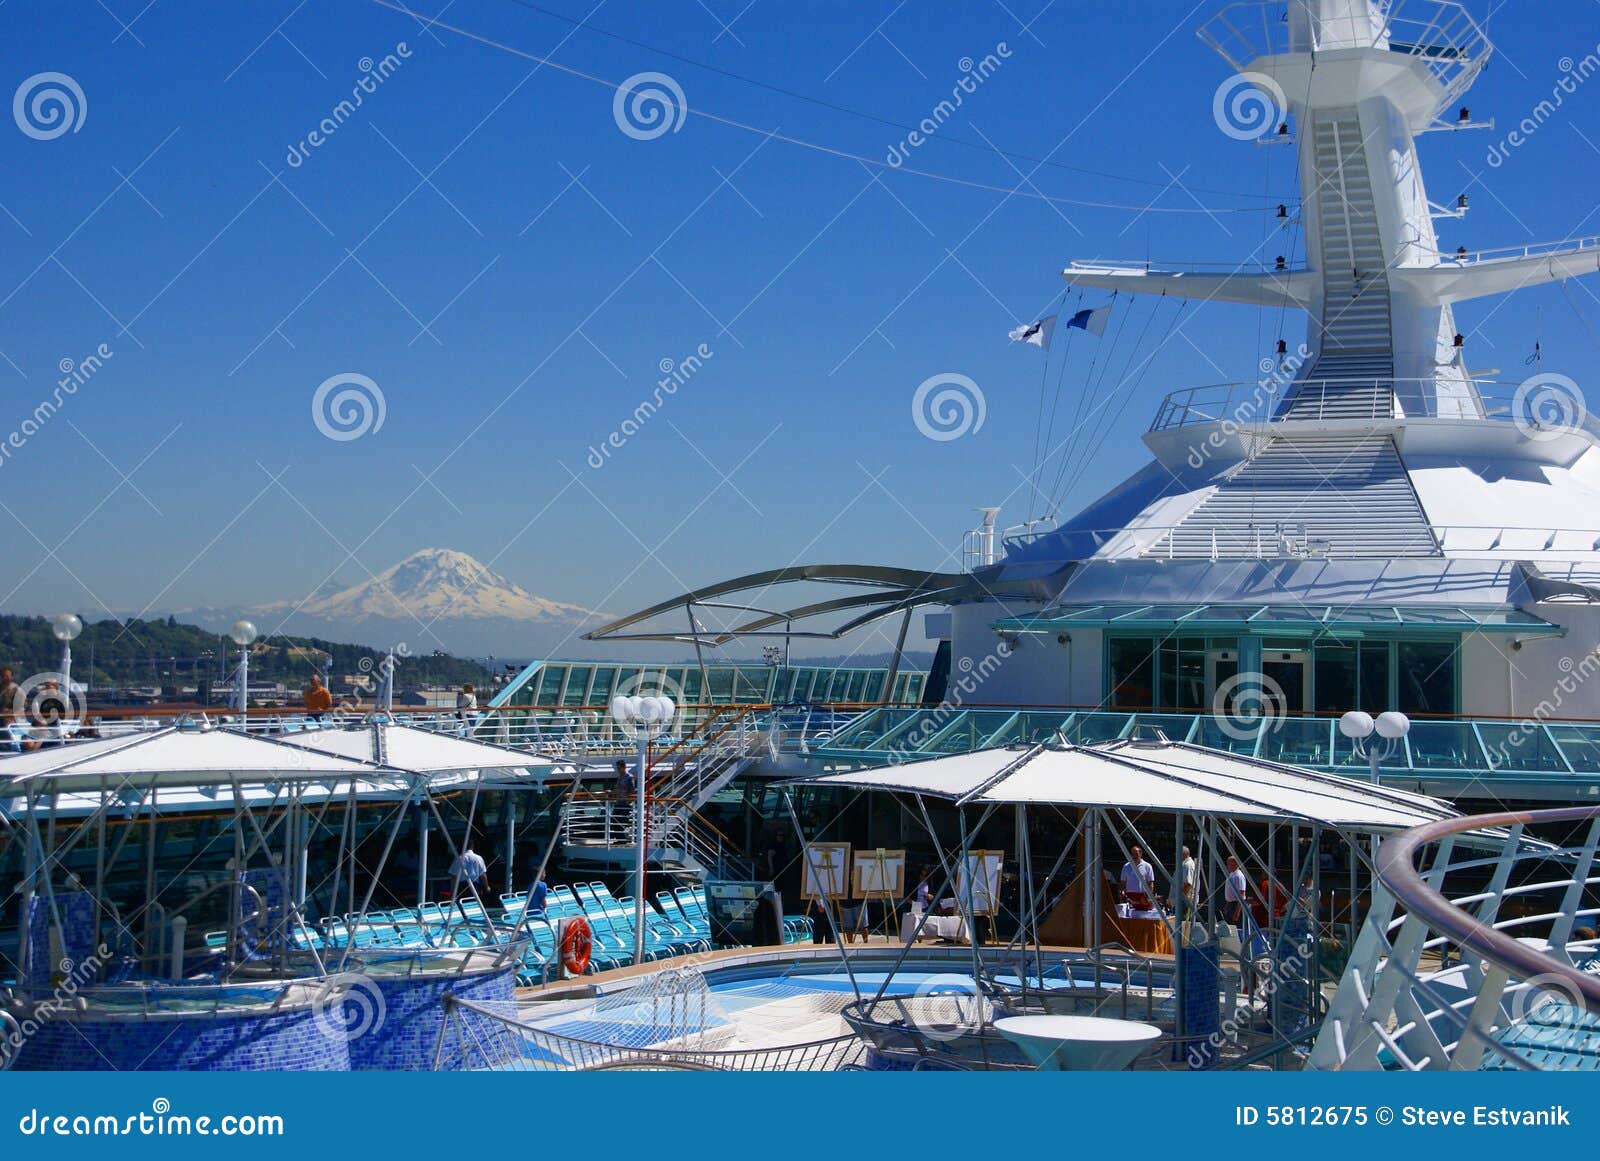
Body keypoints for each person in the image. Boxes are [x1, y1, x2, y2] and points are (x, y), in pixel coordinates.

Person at [450, 846, 490, 917]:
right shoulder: (479, 858)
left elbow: (454, 877)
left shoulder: (459, 858)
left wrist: (453, 892)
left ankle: (466, 920)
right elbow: (483, 876)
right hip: (475, 886)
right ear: (472, 846)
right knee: (474, 907)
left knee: (462, 909)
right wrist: (487, 887)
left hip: (462, 887)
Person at [1118, 845, 1155, 910]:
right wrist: (1121, 893)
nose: (1134, 856)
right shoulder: (1126, 866)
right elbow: (1122, 883)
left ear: (1140, 854)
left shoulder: (1148, 866)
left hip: (1143, 896)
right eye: (1132, 854)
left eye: (1136, 854)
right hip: (1129, 897)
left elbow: (1150, 883)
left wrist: (1147, 896)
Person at [1170, 846, 1197, 918]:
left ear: (1184, 854)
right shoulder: (1185, 864)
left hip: (1183, 903)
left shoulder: (1187, 865)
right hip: (1182, 902)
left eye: (1177, 854)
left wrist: (1179, 900)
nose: (1176, 856)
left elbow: (1188, 884)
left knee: (1181, 922)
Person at [1224, 856, 1249, 927]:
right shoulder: (1231, 874)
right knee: (1229, 927)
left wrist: (1237, 912)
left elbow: (1242, 894)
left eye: (1228, 863)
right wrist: (1227, 906)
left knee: (1235, 927)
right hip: (1230, 905)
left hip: (1236, 905)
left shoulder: (1239, 876)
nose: (1227, 866)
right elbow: (1230, 893)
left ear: (1235, 864)